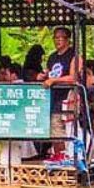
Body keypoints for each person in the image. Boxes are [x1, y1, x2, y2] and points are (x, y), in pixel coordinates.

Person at [38, 27, 80, 162]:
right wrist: (44, 76)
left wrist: (54, 80)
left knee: (64, 126)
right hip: (53, 96)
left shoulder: (74, 56)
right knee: (53, 126)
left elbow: (74, 77)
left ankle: (65, 155)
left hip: (68, 96)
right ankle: (58, 155)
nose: (58, 40)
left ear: (68, 40)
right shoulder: (52, 57)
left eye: (61, 37)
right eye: (56, 37)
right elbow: (50, 74)